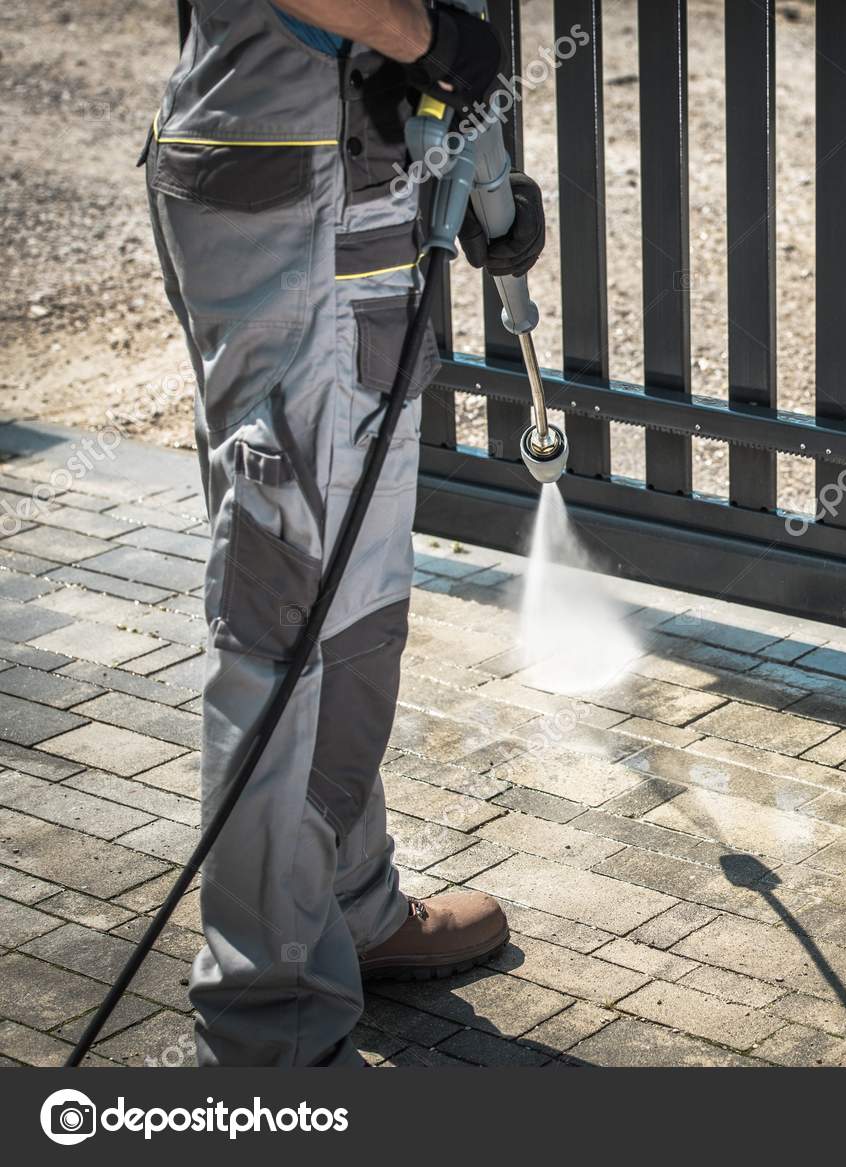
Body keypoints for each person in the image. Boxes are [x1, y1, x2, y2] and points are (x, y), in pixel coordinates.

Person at [144, 0, 546, 1066]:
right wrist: (427, 40)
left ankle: (346, 907)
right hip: (305, 200)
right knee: (289, 620)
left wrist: (448, 148)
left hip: (307, 180)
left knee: (342, 603)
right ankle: (268, 1027)